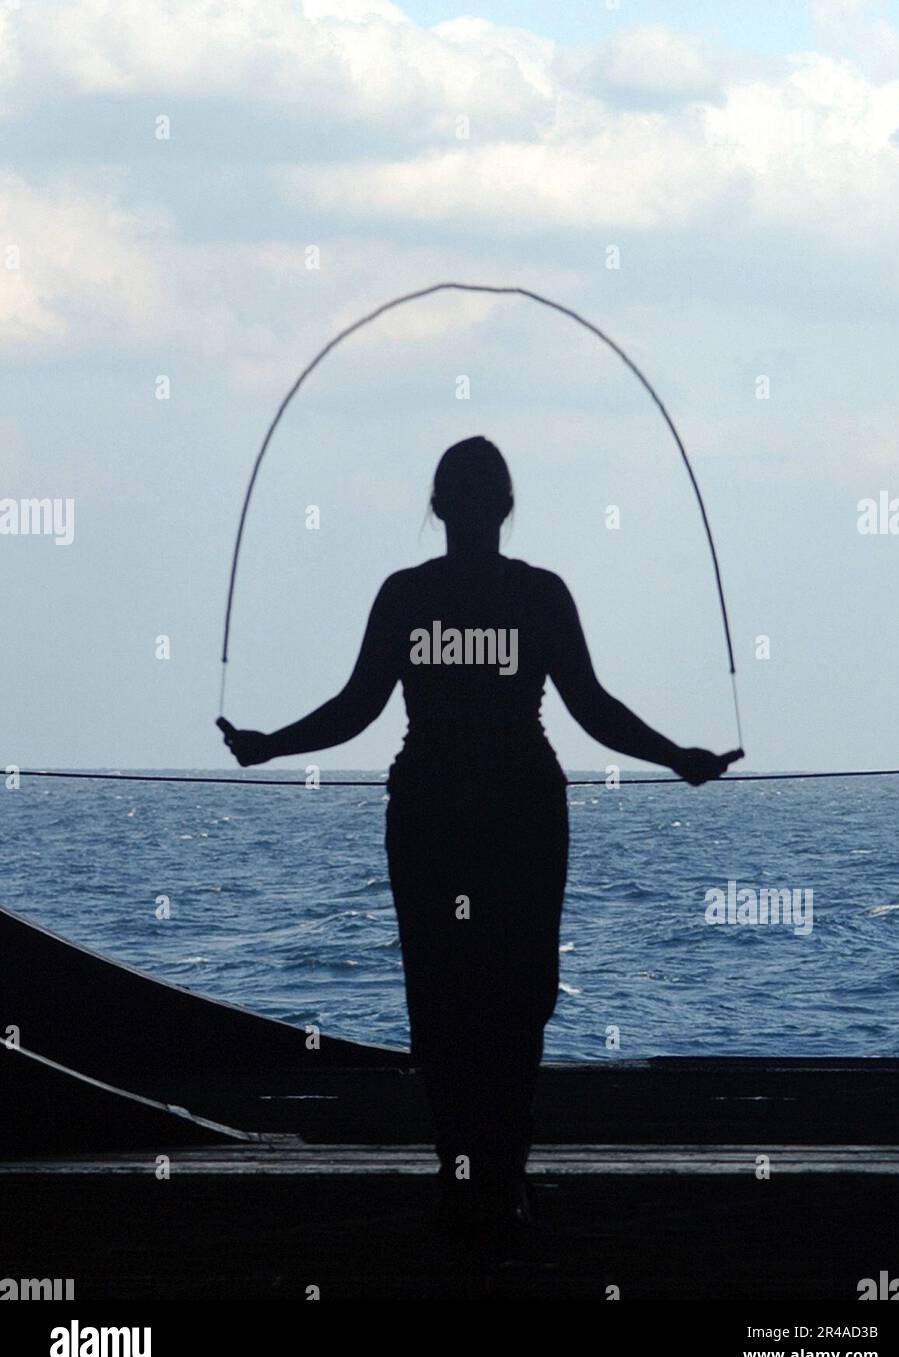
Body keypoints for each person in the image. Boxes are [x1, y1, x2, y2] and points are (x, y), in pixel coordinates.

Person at [219, 436, 739, 1232]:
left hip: (428, 812)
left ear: (438, 508)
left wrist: (269, 744)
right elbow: (591, 707)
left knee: (443, 993)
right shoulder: (540, 595)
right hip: (522, 811)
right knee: (516, 996)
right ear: (504, 508)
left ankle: (460, 1181)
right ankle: (501, 1181)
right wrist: (679, 759)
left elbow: (356, 707)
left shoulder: (405, 595)